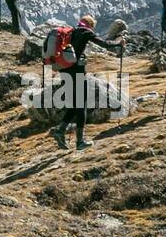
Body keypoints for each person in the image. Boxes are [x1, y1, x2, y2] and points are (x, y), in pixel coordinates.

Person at [49, 14, 125, 151]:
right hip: (77, 72)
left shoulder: (71, 32)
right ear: (90, 25)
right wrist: (119, 43)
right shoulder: (86, 32)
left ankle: (60, 131)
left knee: (74, 104)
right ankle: (80, 141)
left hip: (65, 71)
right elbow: (105, 45)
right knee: (81, 106)